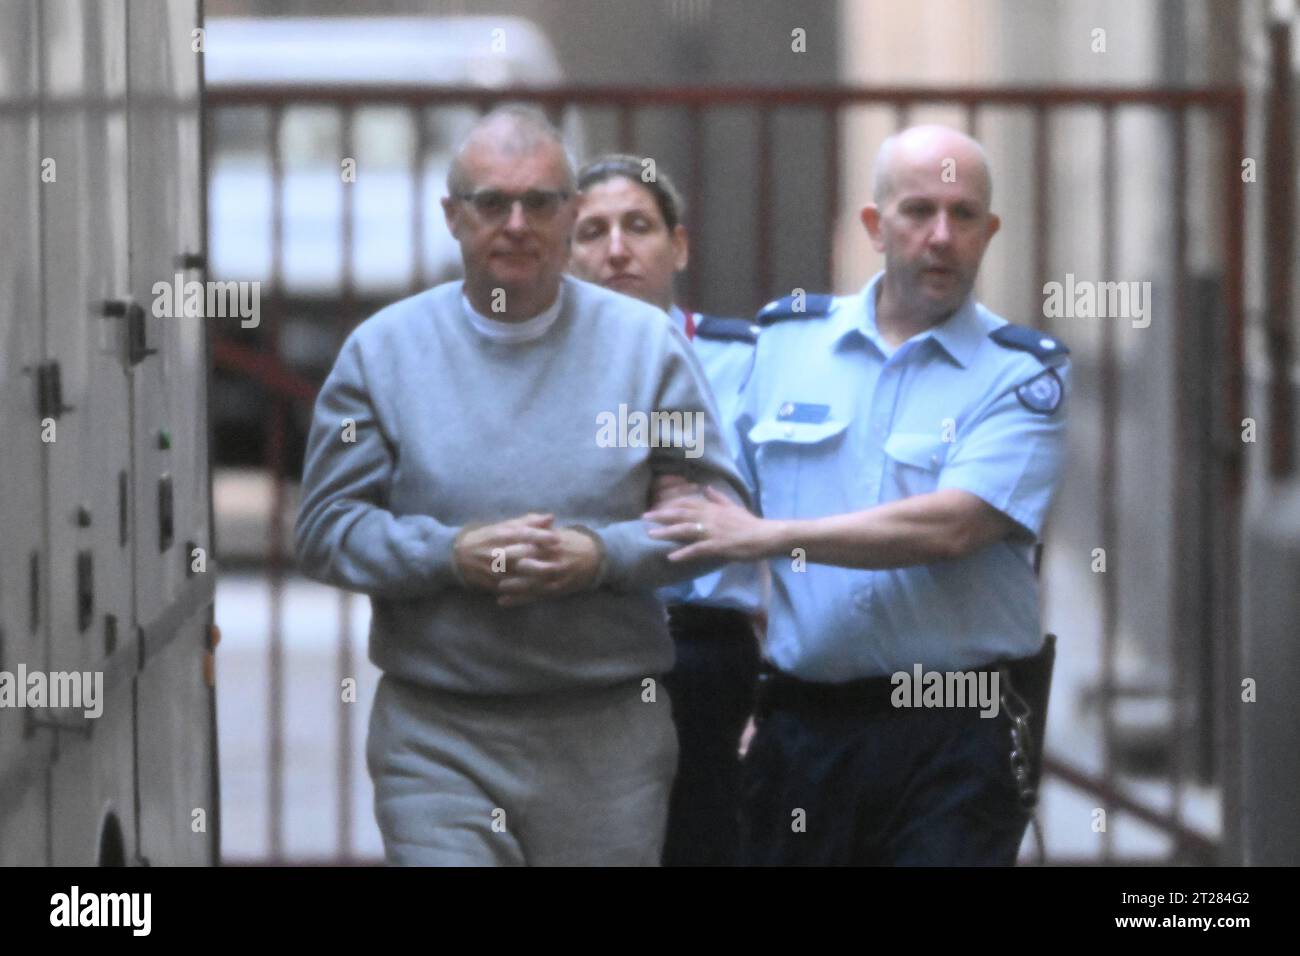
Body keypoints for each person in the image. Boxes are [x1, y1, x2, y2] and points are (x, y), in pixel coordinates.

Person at [294, 106, 749, 866]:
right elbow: (327, 528)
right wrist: (451, 555)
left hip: (605, 733)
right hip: (439, 735)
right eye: (491, 202)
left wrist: (599, 556)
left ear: (570, 214)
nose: (516, 222)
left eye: (540, 202)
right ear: (452, 216)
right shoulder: (385, 353)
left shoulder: (644, 349)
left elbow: (705, 514)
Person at [643, 124, 1070, 865]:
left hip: (954, 727)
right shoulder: (784, 343)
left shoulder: (1023, 374)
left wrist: (771, 537)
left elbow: (951, 527)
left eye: (964, 215)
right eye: (918, 211)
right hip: (806, 727)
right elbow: (710, 477)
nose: (941, 235)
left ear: (989, 231)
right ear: (874, 225)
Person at [569, 154, 765, 866]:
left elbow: (780, 517)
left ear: (677, 245)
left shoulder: (744, 361)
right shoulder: (543, 369)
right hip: (581, 644)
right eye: (591, 231)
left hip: (702, 653)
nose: (616, 248)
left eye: (638, 226)